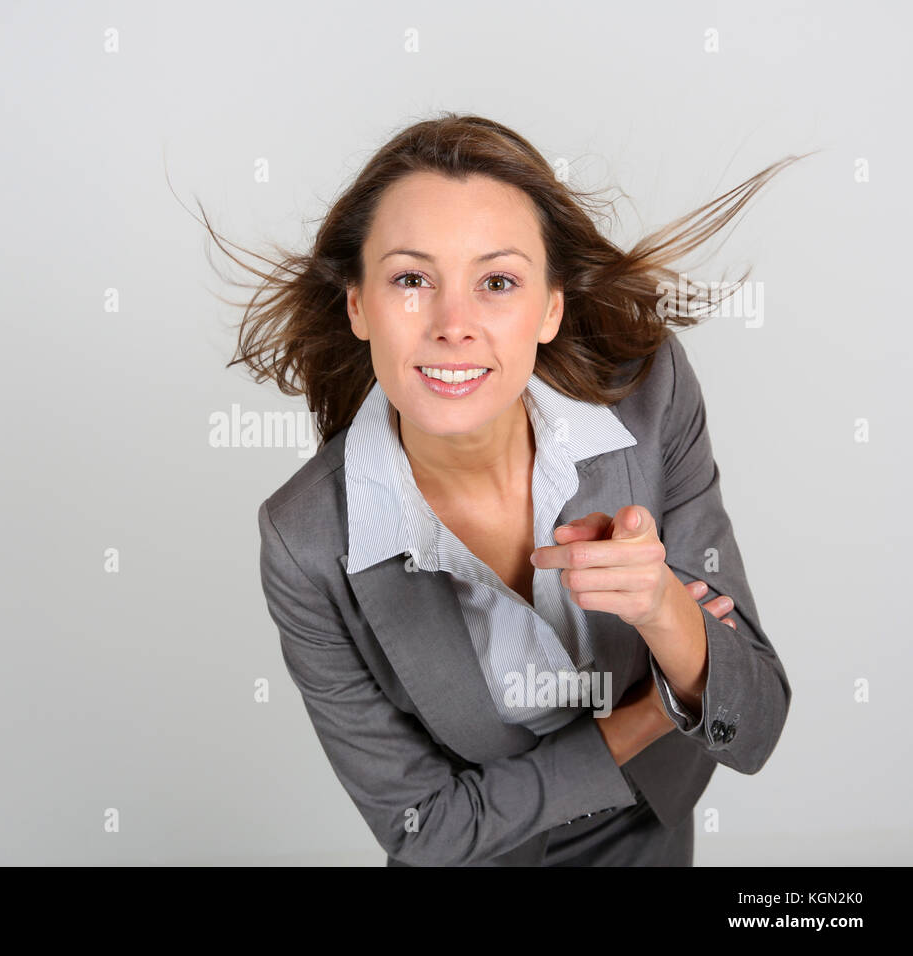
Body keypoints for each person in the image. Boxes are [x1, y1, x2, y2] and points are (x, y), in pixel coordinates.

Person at [207, 113, 796, 865]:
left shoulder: (650, 400)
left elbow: (756, 722)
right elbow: (427, 827)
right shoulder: (306, 540)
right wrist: (649, 716)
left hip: (654, 834)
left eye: (498, 282)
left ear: (550, 308)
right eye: (412, 279)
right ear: (358, 304)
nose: (455, 325)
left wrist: (661, 607)